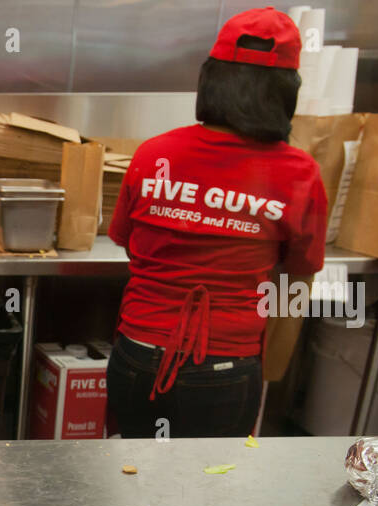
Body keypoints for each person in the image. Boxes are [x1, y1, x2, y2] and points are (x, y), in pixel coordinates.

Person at [105, 6, 328, 438]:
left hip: (136, 359)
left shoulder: (154, 155)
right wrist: (272, 369)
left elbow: (130, 244)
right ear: (285, 93)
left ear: (211, 80)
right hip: (226, 371)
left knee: (130, 482)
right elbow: (296, 284)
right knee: (207, 496)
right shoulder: (299, 173)